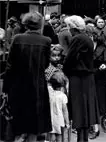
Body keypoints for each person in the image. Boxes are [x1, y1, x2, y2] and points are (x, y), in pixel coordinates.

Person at [2, 11, 52, 142]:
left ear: (25, 24)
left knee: (18, 123)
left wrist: (5, 89)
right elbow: (46, 64)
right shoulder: (46, 41)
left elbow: (10, 66)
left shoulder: (17, 39)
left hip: (18, 87)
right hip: (38, 87)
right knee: (34, 125)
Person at [63, 15, 99, 142]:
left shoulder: (77, 38)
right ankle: (83, 139)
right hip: (87, 77)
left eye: (69, 27)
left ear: (73, 27)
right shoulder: (87, 38)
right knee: (85, 110)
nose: (68, 30)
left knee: (79, 110)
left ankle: (81, 139)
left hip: (78, 78)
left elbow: (69, 58)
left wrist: (64, 71)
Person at [87, 26, 106, 138]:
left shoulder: (103, 45)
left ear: (94, 35)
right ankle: (93, 126)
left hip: (100, 77)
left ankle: (95, 125)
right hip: (88, 75)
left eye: (89, 35)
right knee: (90, 101)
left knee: (98, 101)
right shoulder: (84, 46)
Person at [47, 73, 70, 142]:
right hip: (60, 121)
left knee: (52, 137)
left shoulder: (49, 93)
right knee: (59, 137)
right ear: (62, 86)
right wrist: (67, 123)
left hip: (51, 120)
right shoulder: (63, 96)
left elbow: (48, 85)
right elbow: (65, 111)